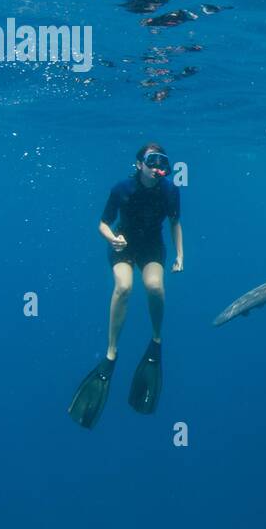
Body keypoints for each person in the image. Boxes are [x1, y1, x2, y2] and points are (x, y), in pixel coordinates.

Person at [68, 142, 184, 428]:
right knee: (124, 287)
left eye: (164, 163)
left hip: (152, 247)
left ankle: (156, 342)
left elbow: (175, 223)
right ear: (138, 164)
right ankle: (111, 353)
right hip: (123, 244)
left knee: (155, 287)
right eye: (153, 161)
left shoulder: (170, 190)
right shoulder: (122, 188)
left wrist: (181, 255)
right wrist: (111, 239)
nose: (159, 168)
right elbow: (103, 224)